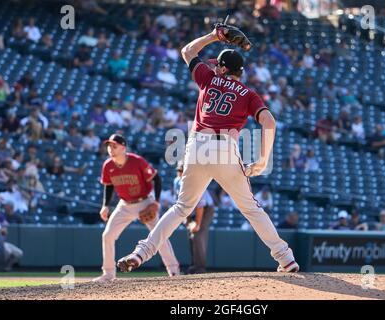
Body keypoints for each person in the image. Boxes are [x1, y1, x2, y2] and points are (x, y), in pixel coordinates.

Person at [117, 27, 299, 274]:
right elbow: (269, 122)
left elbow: (187, 50)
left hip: (197, 146)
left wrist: (214, 35)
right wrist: (263, 159)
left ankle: (142, 252)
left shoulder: (208, 78)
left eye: (218, 65)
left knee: (181, 208)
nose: (214, 68)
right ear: (240, 72)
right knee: (251, 209)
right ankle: (285, 258)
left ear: (222, 68)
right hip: (224, 148)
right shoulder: (248, 93)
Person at [92, 134, 180, 282]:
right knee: (107, 235)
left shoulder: (136, 161)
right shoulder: (108, 165)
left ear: (123, 147)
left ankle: (173, 271)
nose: (110, 149)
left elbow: (156, 178)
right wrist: (105, 206)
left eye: (114, 146)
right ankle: (108, 273)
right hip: (124, 204)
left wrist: (156, 202)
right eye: (109, 146)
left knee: (159, 236)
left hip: (145, 202)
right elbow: (108, 185)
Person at [174, 163, 215, 274]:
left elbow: (200, 205)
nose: (180, 173)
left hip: (206, 209)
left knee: (197, 235)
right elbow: (180, 202)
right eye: (179, 170)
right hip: (191, 210)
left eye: (182, 170)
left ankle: (200, 268)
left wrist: (197, 223)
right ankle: (194, 266)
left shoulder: (194, 182)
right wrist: (186, 220)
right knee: (191, 237)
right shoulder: (176, 182)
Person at [0, 205, 23, 271]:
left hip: (2, 243)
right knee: (8, 251)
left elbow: (6, 226)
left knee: (19, 253)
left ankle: (6, 268)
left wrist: (3, 228)